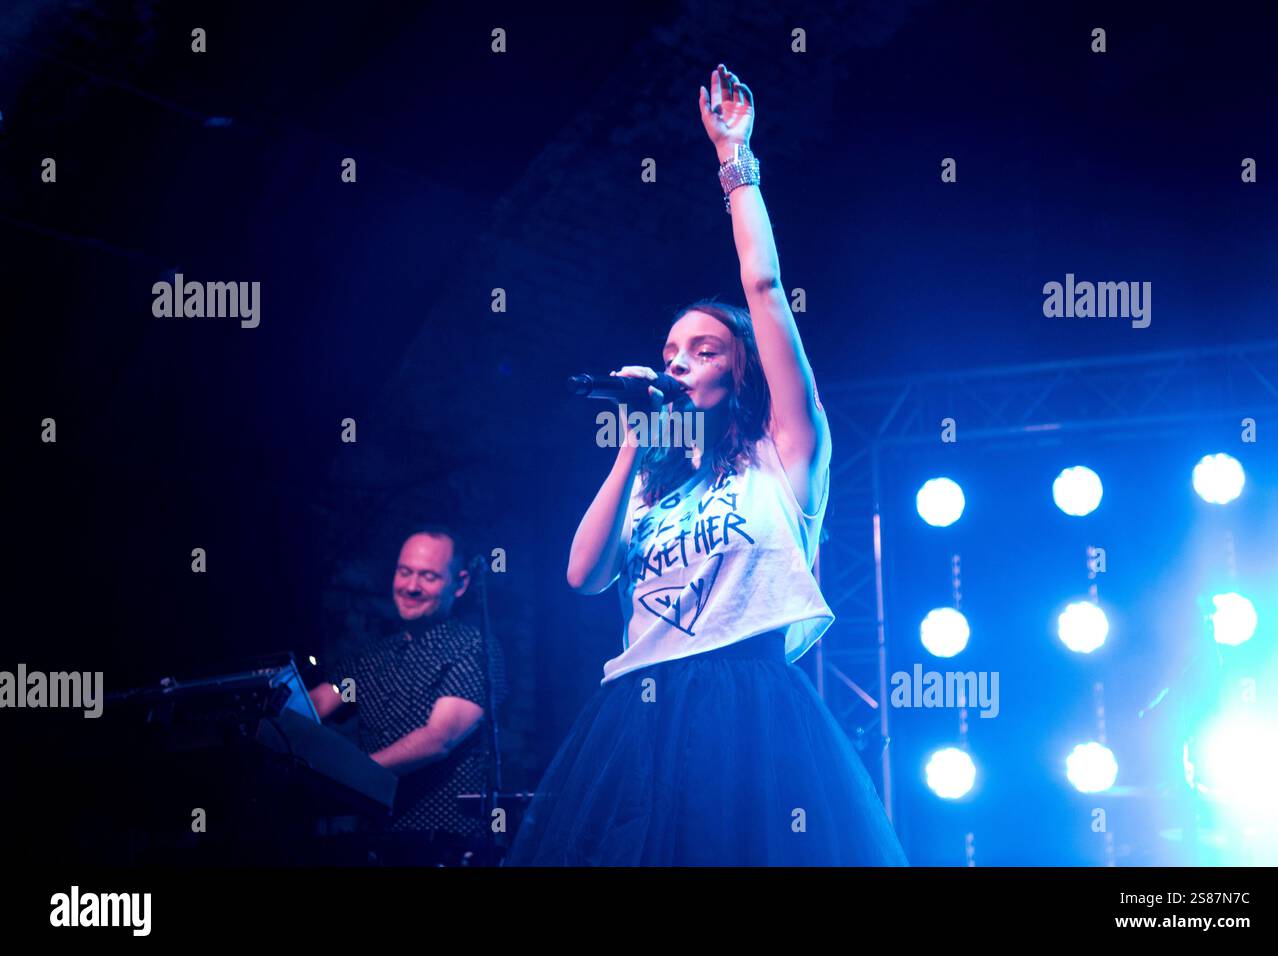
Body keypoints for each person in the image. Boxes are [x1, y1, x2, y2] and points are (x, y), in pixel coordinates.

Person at [505, 65, 907, 865]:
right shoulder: (654, 478)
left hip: (746, 710)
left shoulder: (783, 453)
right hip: (636, 713)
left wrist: (735, 160)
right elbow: (583, 576)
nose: (679, 363)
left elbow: (763, 288)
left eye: (703, 349)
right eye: (669, 352)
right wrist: (632, 445)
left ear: (739, 370)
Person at [309, 527, 506, 865]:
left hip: (442, 845)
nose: (411, 587)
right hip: (373, 841)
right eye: (405, 572)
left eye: (428, 576)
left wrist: (351, 773)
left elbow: (438, 738)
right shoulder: (371, 658)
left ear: (459, 584)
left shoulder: (474, 648)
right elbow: (311, 706)